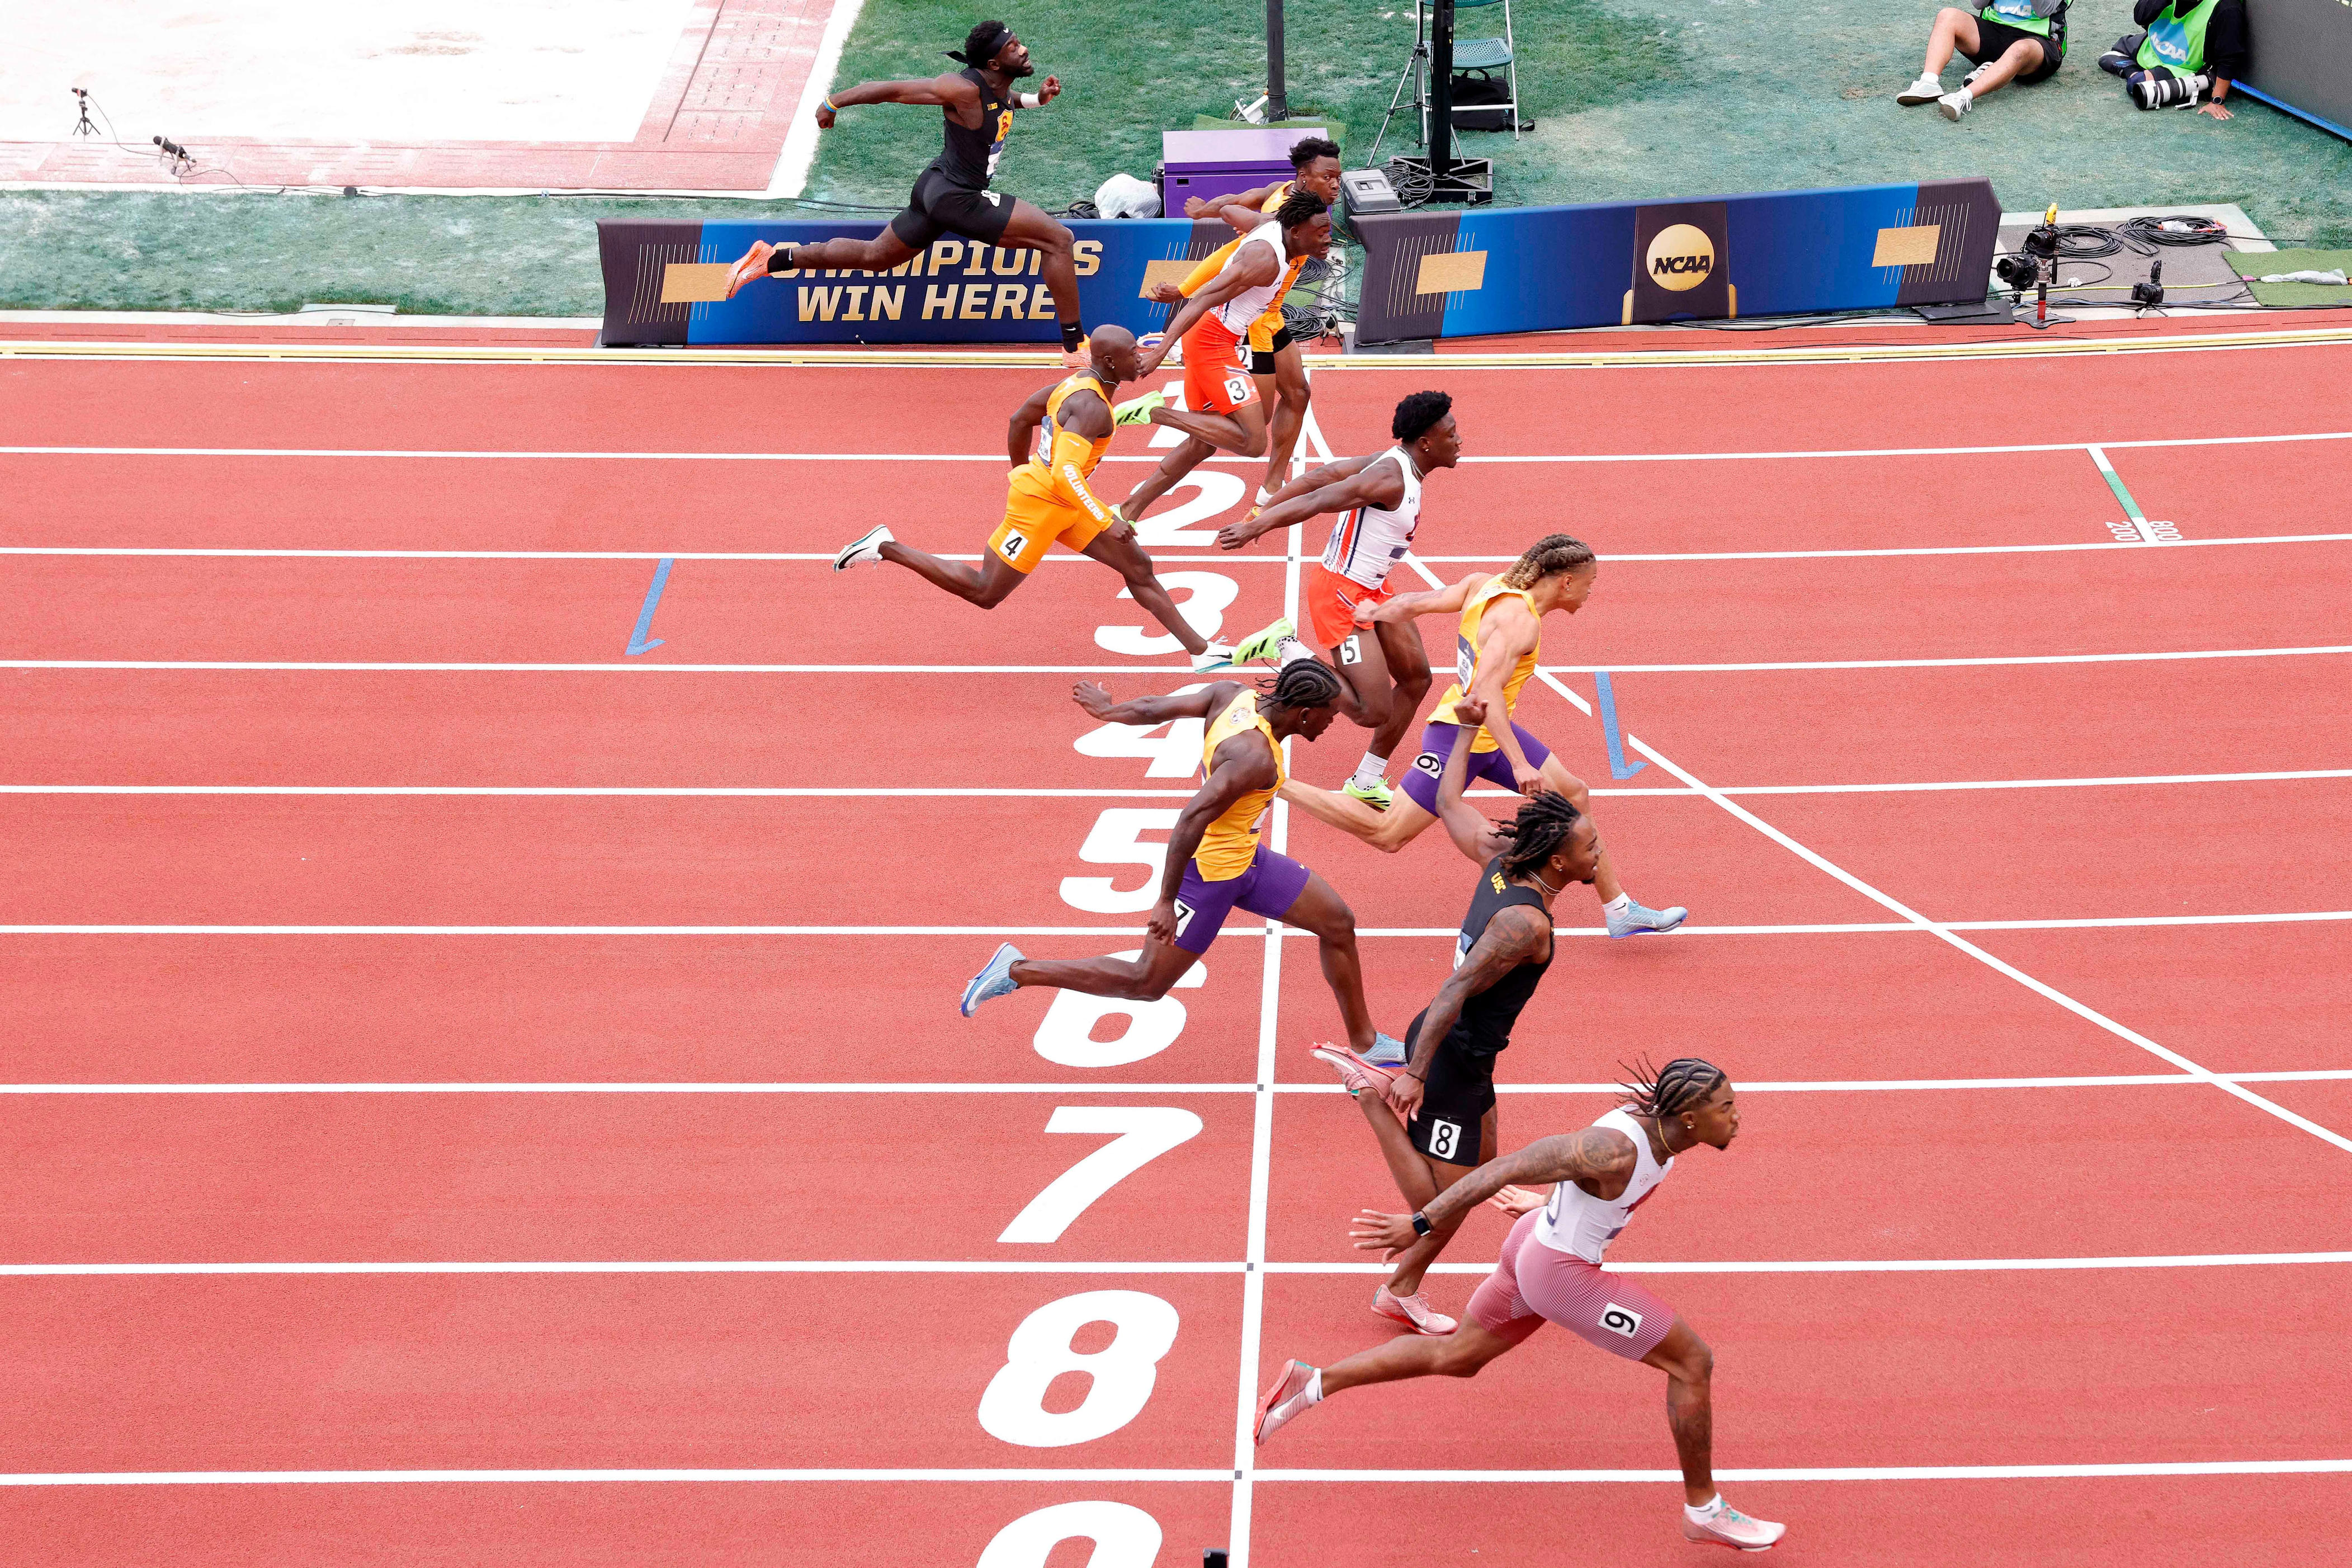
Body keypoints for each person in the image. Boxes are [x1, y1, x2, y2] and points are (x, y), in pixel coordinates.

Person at [1252, 1059, 1787, 1554]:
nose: (1737, 1118)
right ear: (1690, 1120)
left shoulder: (1659, 1129)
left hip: (1536, 1243)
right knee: (1692, 1362)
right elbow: (1502, 1168)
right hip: (1562, 1276)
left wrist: (1548, 1205)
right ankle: (1705, 1511)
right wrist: (1419, 1223)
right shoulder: (1614, 1148)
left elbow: (1584, 1185)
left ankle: (1313, 1382)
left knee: (1457, 1357)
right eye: (1727, 1109)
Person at [1308, 701, 1598, 1335]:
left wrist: (1466, 727)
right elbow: (1455, 991)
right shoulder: (1526, 923)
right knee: (1438, 1200)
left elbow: (1446, 801)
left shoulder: (1501, 858)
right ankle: (1368, 1092)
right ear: (1557, 862)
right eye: (1589, 846)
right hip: (1450, 1057)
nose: (1598, 853)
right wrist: (1411, 1075)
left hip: (1462, 1050)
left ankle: (1403, 1283)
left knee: (1484, 1167)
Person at [961, 662, 1407, 1064]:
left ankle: (1367, 1043)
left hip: (1248, 860)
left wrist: (1110, 711)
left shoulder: (1233, 695)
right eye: (1332, 712)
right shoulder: (1255, 759)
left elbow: (1157, 707)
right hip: (1208, 876)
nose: (1334, 722)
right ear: (1305, 712)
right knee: (1145, 983)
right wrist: (1164, 901)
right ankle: (1018, 970)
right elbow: (1191, 818)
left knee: (1337, 923)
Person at [1278, 535, 1689, 940]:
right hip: (1459, 734)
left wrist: (1376, 609)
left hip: (1489, 732)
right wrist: (1520, 762)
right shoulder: (1520, 622)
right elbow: (1486, 692)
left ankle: (1619, 910)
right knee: (1388, 834)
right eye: (1589, 584)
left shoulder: (1484, 584)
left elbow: (1414, 604)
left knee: (1574, 794)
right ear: (1565, 582)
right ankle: (1276, 782)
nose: (1589, 593)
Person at [831, 325, 1237, 672]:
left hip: (1063, 500)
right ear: (1111, 362)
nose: (1142, 358)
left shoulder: (1075, 385)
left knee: (1139, 568)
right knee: (985, 592)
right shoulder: (1091, 406)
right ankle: (885, 545)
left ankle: (1200, 651)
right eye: (1133, 353)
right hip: (1043, 505)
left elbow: (1020, 417)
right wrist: (1102, 515)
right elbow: (1065, 473)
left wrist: (1020, 468)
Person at [720, 21, 1092, 365]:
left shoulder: (997, 84)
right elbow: (895, 91)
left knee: (874, 257)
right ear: (994, 62)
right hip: (957, 197)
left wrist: (1038, 100)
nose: (1024, 49)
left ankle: (772, 258)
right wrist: (834, 102)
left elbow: (1002, 102)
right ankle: (1075, 346)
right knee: (1059, 239)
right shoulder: (961, 89)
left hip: (936, 186)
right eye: (1014, 46)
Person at [1211, 390, 1460, 810]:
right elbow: (1317, 499)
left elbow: (1320, 476)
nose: (1460, 439)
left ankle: (1366, 780)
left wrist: (1262, 510)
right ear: (1427, 442)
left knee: (1418, 678)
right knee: (1371, 711)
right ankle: (1287, 649)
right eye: (1451, 433)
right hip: (1340, 594)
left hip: (1372, 591)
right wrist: (1258, 527)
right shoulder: (1389, 478)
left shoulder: (1397, 463)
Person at [1121, 136, 1345, 520]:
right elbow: (1207, 295)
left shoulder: (1279, 222)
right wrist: (1165, 340)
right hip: (1226, 336)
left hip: (1251, 322)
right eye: (1329, 177)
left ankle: (1129, 510)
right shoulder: (1267, 255)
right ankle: (1155, 412)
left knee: (1212, 436)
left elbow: (1231, 209)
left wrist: (1205, 210)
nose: (1328, 241)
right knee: (1251, 434)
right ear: (1304, 178)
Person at [1897, 0, 2070, 121]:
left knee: (2019, 50)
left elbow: (2044, 10)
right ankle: (1929, 82)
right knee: (1948, 16)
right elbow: (1978, 3)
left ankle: (1962, 97)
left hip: (2040, 42)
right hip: (1995, 31)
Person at [2096, 0, 2248, 115]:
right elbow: (2140, 17)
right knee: (2107, 59)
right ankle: (2136, 72)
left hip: (2184, 68)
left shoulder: (2227, 8)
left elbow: (2230, 59)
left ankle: (2140, 75)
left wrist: (2217, 100)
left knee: (2138, 86)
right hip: (2156, 46)